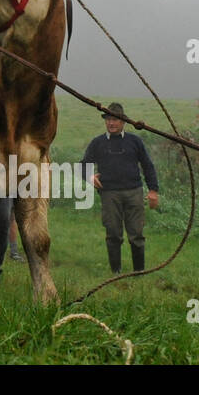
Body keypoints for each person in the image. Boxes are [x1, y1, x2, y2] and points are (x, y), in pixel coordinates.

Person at [80, 102, 160, 274]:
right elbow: (83, 165)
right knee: (113, 234)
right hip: (109, 194)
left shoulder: (135, 141)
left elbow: (148, 165)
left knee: (137, 234)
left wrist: (153, 190)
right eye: (108, 119)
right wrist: (89, 177)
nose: (111, 123)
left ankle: (139, 273)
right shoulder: (97, 143)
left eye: (115, 119)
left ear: (123, 121)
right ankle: (115, 272)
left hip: (134, 192)